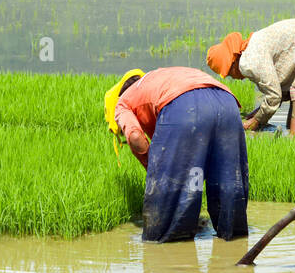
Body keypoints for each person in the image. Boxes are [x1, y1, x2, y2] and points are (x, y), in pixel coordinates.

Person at [105, 66, 249, 243]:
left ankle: (172, 248)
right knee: (228, 185)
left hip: (183, 105)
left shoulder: (122, 103)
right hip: (227, 102)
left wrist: (155, 169)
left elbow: (135, 137)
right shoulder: (157, 78)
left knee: (164, 232)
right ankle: (234, 243)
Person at [205, 18, 295, 135]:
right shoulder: (252, 48)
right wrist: (259, 112)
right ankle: (292, 135)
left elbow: (274, 96)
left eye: (229, 73)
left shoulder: (249, 61)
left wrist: (255, 121)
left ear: (233, 62)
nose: (233, 78)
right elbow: (277, 92)